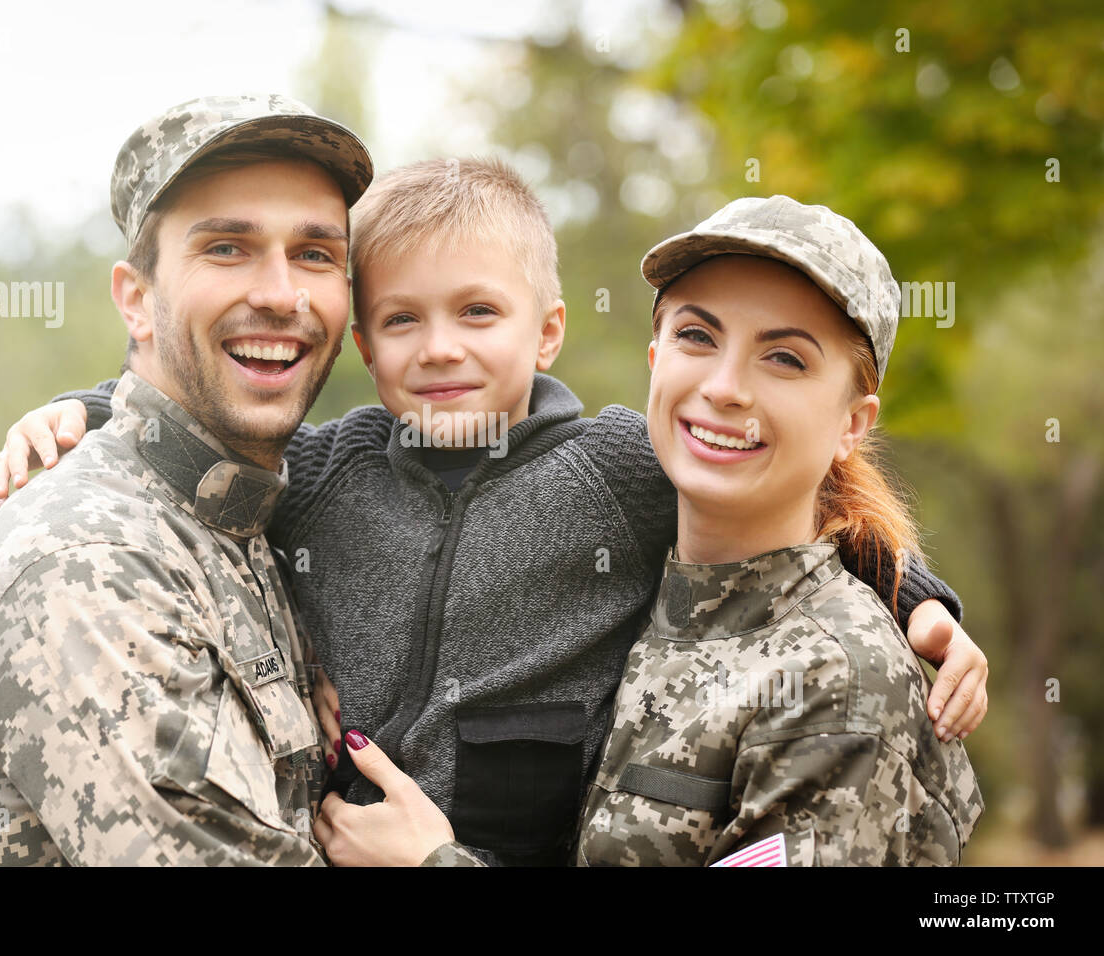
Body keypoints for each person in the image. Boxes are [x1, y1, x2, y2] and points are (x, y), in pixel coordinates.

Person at [0, 165, 988, 866]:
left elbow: (810, 514)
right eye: (399, 320)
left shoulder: (622, 463)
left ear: (547, 329)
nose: (438, 348)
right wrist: (87, 410)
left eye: (477, 313)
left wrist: (921, 602)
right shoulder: (327, 467)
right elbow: (200, 428)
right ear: (363, 347)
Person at [313, 196, 984, 866]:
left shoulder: (838, 683)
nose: (725, 388)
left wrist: (430, 863)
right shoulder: (665, 594)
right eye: (699, 335)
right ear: (656, 356)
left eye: (784, 358)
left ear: (854, 424)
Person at [0, 94, 372, 865]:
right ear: (136, 300)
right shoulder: (87, 561)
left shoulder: (249, 520)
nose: (279, 293)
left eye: (315, 253)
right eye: (227, 248)